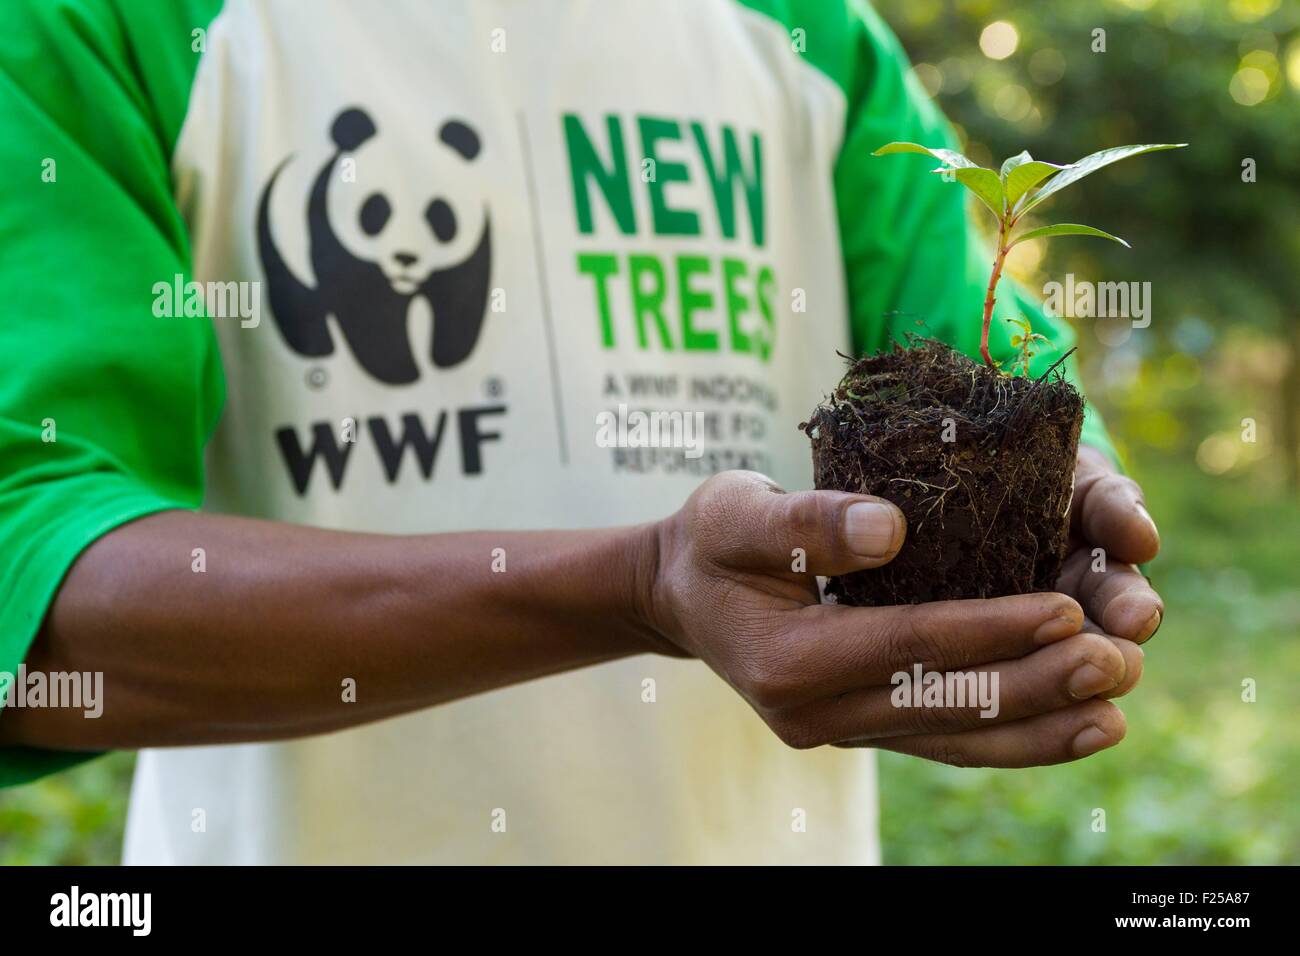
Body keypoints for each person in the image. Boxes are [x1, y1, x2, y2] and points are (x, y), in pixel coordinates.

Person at [0, 0, 1161, 864]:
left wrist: (1072, 492)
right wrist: (632, 584)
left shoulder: (810, 35)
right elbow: (29, 568)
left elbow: (1009, 374)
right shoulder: (119, 23)